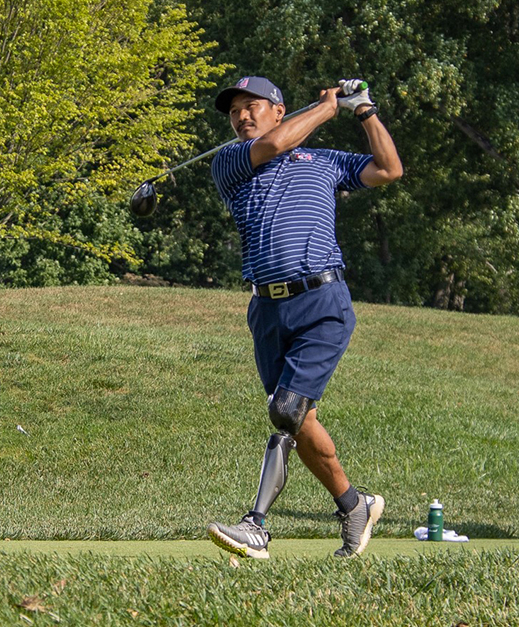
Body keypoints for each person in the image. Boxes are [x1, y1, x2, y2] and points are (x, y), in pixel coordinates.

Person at [204, 76, 402, 558]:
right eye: (235, 113)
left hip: (322, 302)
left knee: (284, 410)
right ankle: (355, 506)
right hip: (267, 310)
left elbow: (389, 169)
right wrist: (328, 108)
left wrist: (365, 111)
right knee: (296, 417)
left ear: (280, 108)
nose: (242, 117)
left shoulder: (324, 161)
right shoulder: (231, 162)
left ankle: (256, 526)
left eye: (253, 107)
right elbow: (275, 143)